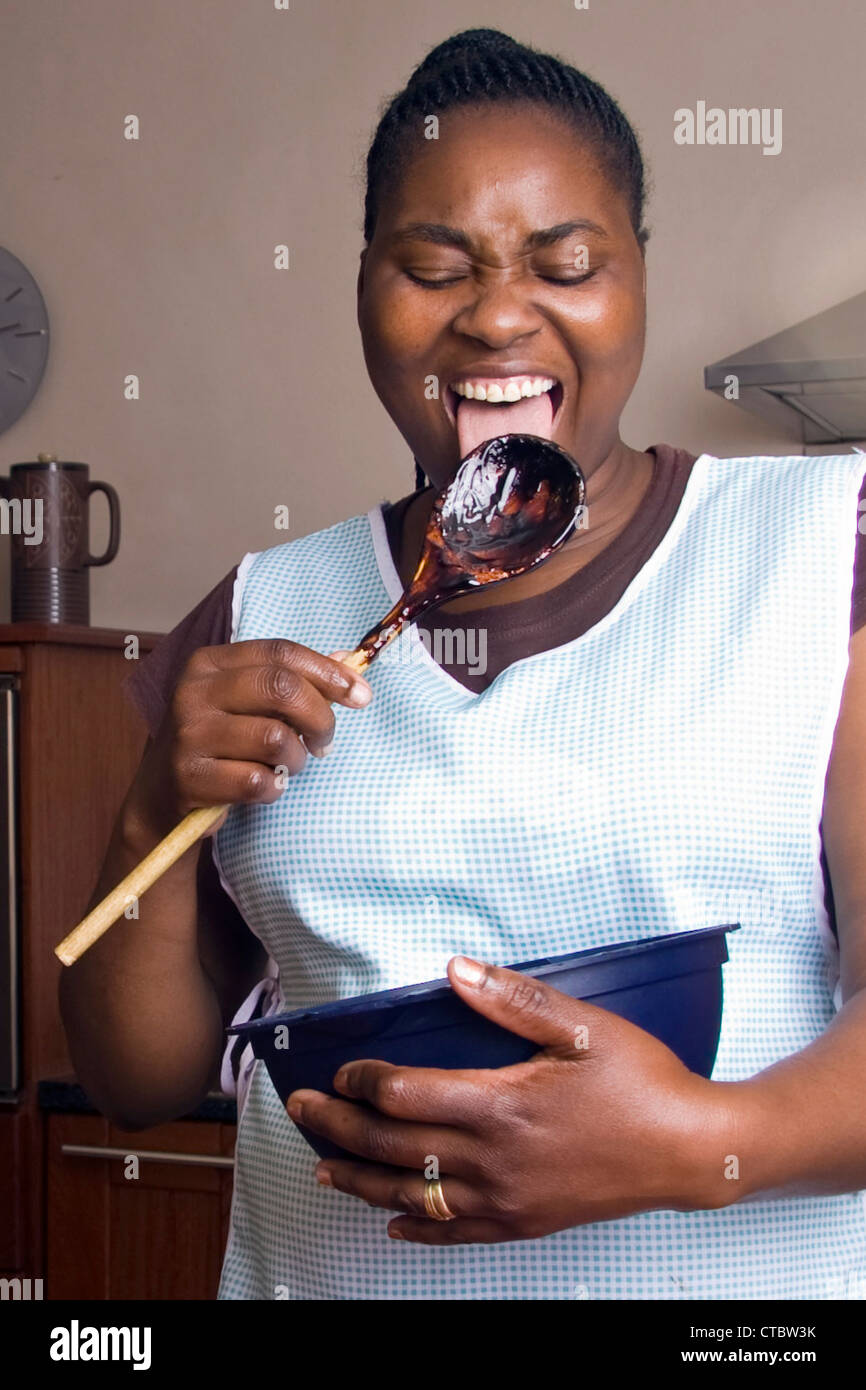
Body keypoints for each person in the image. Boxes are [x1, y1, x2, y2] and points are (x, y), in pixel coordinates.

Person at [60, 28, 866, 1300]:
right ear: (365, 288)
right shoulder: (261, 611)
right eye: (434, 267)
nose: (495, 315)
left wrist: (689, 1148)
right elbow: (136, 1079)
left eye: (566, 264)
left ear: (637, 279)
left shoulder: (819, 557)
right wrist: (151, 812)